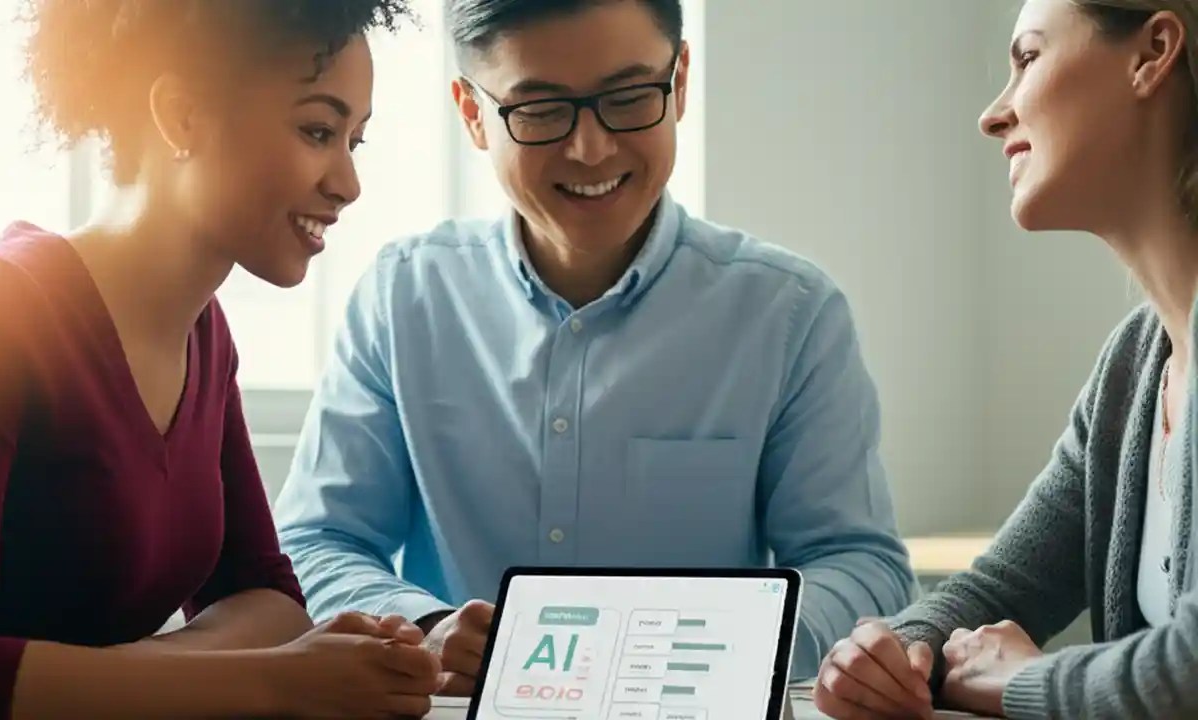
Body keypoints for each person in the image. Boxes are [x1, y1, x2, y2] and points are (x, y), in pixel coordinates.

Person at [273, 0, 916, 693]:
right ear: (472, 115)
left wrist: (697, 652)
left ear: (680, 84)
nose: (592, 148)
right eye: (542, 111)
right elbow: (318, 543)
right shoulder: (403, 298)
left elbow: (860, 566)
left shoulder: (790, 314)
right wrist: (425, 628)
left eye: (629, 97)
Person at [0, 1, 444, 717]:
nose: (348, 184)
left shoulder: (205, 334)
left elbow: (268, 598)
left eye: (356, 139)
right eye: (318, 131)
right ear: (184, 116)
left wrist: (119, 680)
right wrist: (275, 680)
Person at [813, 0, 1198, 718]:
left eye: (1027, 59)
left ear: (1152, 54)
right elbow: (992, 592)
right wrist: (893, 653)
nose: (995, 114)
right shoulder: (1135, 366)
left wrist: (1024, 681)